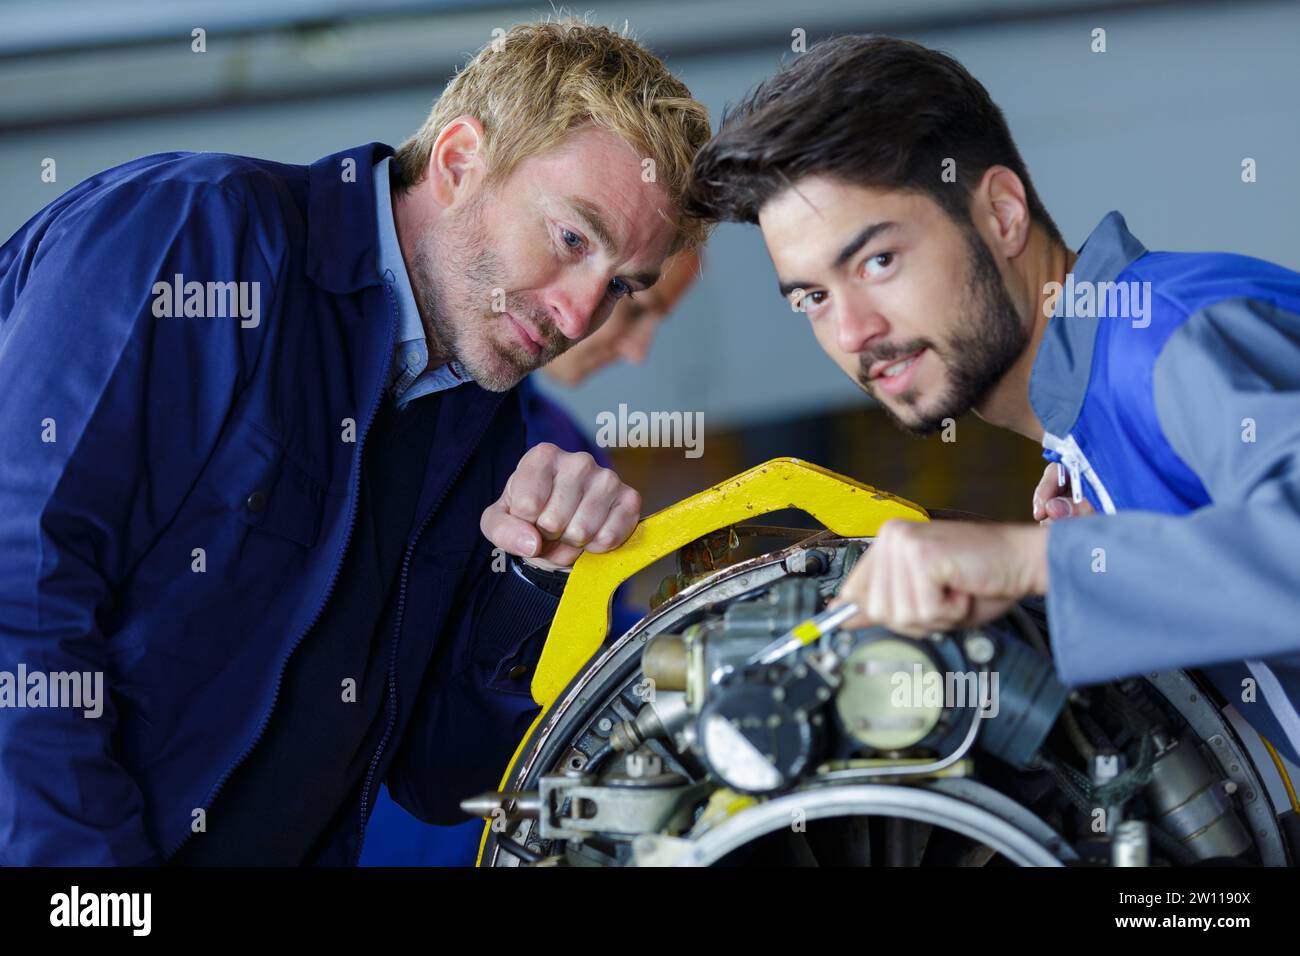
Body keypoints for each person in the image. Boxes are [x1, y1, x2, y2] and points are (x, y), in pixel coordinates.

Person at [0, 18, 711, 865]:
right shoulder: (197, 240)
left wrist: (532, 581)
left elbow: (437, 780)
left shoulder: (480, 423)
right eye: (570, 239)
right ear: (456, 162)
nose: (580, 315)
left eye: (624, 285)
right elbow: (20, 595)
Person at [685, 34, 1300, 764]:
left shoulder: (1168, 337)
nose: (853, 332)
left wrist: (1031, 559)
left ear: (1002, 215)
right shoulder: (1094, 419)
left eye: (878, 261)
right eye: (813, 297)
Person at [361, 248, 700, 865]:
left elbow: (591, 637)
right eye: (631, 303)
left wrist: (683, 632)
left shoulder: (570, 449)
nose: (636, 348)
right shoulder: (426, 424)